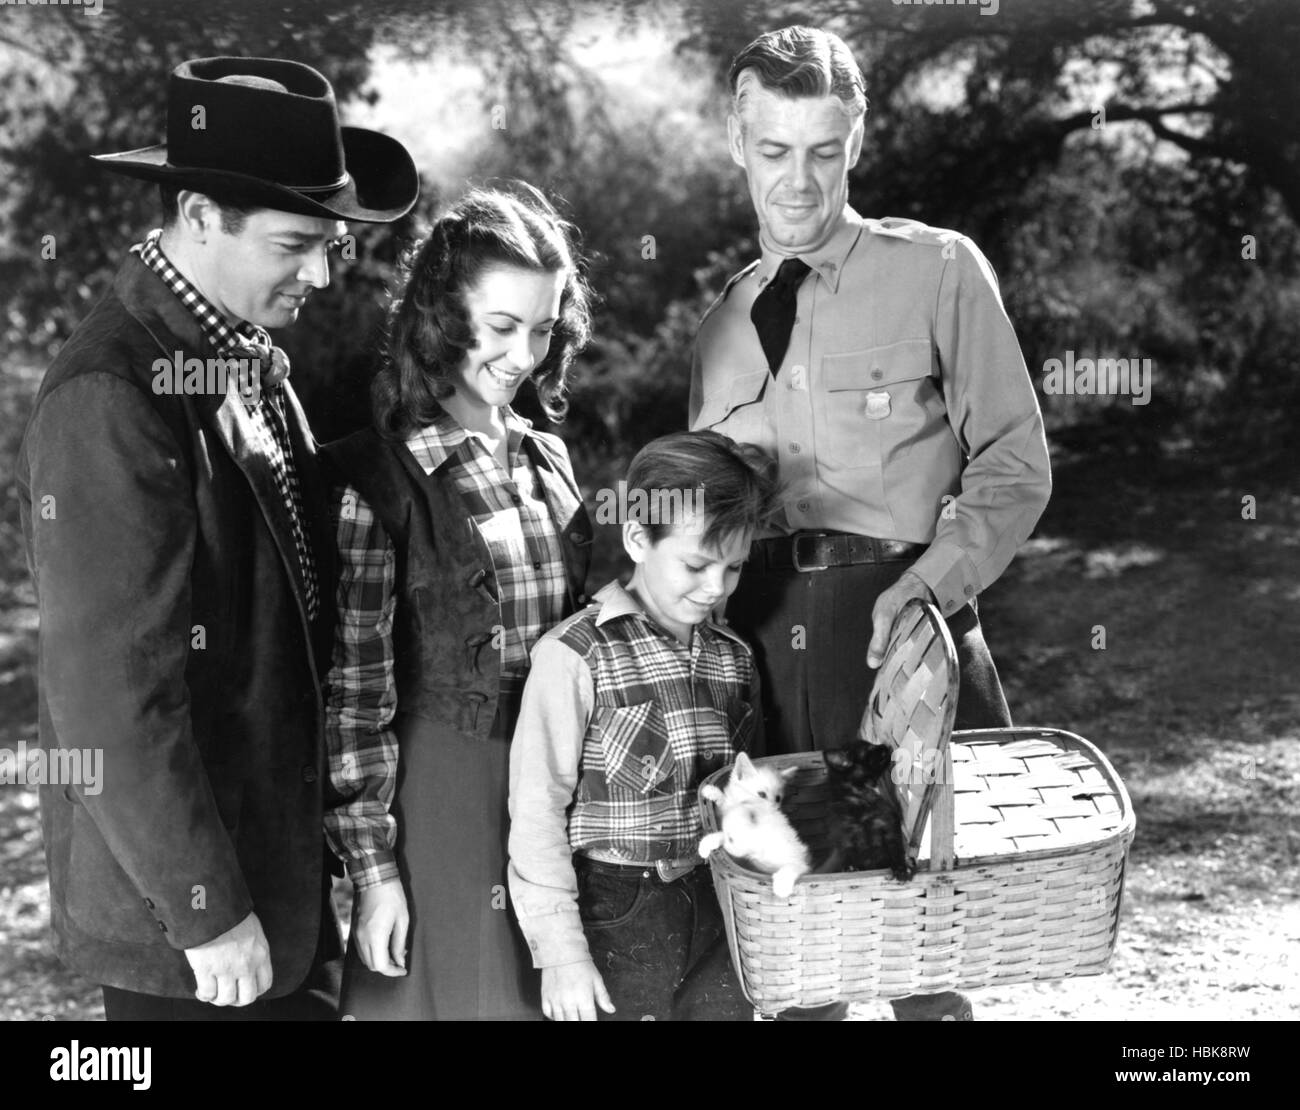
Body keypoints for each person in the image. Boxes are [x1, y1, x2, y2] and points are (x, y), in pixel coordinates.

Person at [15, 57, 419, 1020]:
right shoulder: (111, 394)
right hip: (198, 924)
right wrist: (206, 910)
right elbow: (109, 702)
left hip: (278, 883)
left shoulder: (242, 350)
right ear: (198, 215)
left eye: (330, 245)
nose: (322, 274)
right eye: (296, 243)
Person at [689, 26, 1052, 1021]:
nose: (797, 182)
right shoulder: (722, 325)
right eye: (772, 150)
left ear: (857, 140)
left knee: (918, 963)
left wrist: (927, 587)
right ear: (734, 138)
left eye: (822, 150)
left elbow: (1016, 466)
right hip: (766, 654)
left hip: (900, 646)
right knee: (803, 970)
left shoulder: (938, 270)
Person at [322, 185, 594, 1020]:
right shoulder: (378, 479)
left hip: (556, 779)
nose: (524, 355)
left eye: (544, 328)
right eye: (502, 327)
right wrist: (374, 877)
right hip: (445, 786)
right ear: (444, 317)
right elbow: (354, 699)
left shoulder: (547, 458)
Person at [507, 430, 778, 1021]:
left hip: (721, 907)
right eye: (696, 564)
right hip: (617, 909)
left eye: (733, 568)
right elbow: (535, 812)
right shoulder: (574, 654)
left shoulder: (735, 655)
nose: (715, 588)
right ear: (636, 537)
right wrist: (560, 954)